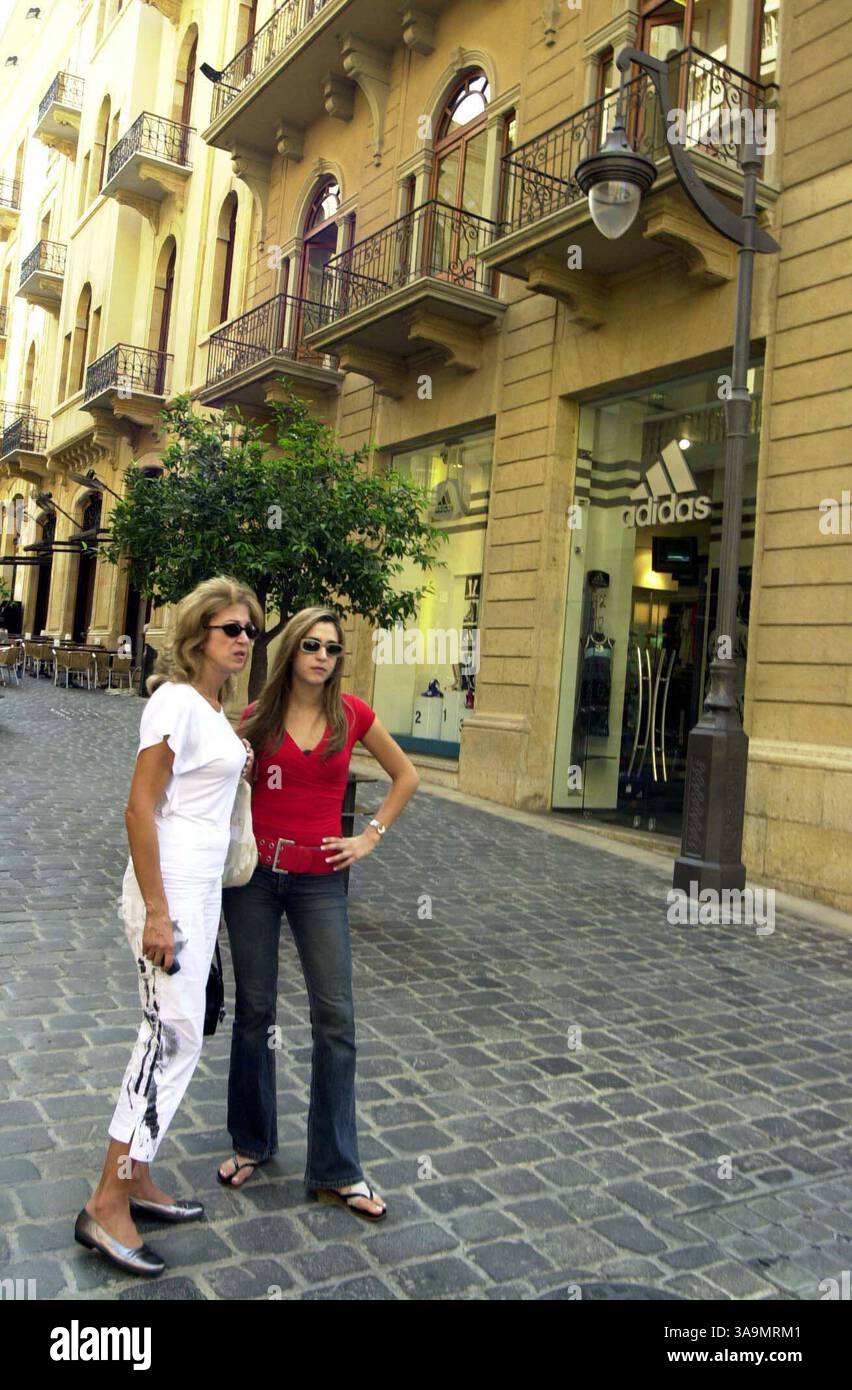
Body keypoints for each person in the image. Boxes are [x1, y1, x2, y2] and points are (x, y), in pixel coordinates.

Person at [74, 576, 263, 1277]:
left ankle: (140, 1175)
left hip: (201, 891)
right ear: (197, 636)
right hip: (170, 893)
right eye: (230, 629)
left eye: (249, 629)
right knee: (167, 1038)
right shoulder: (174, 700)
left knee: (181, 1035)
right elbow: (138, 809)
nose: (244, 639)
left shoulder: (213, 709)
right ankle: (106, 1202)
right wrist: (156, 909)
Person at [217, 606, 419, 1220]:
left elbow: (406, 775)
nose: (322, 656)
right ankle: (251, 1140)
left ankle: (337, 1168)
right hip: (255, 880)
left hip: (321, 883)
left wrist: (369, 836)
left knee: (336, 1018)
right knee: (255, 1010)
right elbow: (220, 781)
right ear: (292, 652)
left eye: (332, 648)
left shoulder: (352, 715)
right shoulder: (256, 717)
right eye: (311, 644)